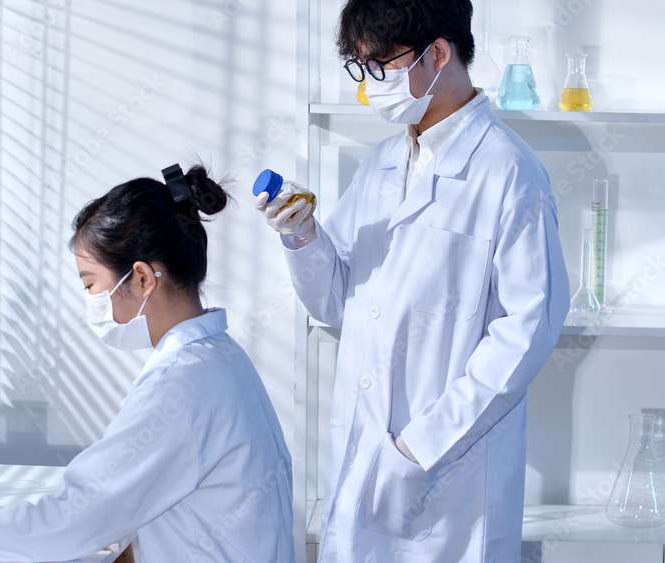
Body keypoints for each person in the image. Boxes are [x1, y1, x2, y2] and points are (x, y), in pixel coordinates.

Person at [255, 1, 569, 561]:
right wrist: (303, 237)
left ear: (439, 53)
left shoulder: (510, 173)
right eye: (359, 67)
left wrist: (419, 447)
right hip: (364, 454)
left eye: (379, 65)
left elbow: (527, 333)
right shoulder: (380, 164)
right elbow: (336, 303)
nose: (369, 84)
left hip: (449, 473)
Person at [0, 164, 294, 562]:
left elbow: (69, 518)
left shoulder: (179, 387)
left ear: (141, 278)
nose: (91, 302)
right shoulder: (222, 360)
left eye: (92, 284)